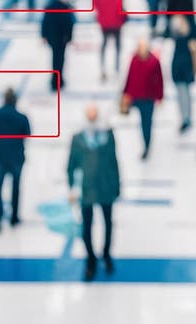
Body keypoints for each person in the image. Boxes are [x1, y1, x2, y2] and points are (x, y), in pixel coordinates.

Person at [67, 104, 120, 281]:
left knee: (108, 223)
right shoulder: (78, 139)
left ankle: (106, 253)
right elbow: (71, 165)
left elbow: (114, 161)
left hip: (106, 188)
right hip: (86, 190)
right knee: (87, 226)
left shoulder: (108, 135)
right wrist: (72, 188)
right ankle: (91, 259)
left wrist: (117, 185)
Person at [0, 88, 31, 232]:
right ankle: (14, 217)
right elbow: (27, 135)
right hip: (17, 158)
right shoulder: (22, 117)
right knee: (16, 187)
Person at [123, 38, 164, 159]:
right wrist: (126, 93)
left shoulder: (154, 62)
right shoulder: (134, 60)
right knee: (142, 123)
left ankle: (147, 145)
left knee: (147, 123)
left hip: (148, 98)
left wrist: (160, 96)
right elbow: (129, 76)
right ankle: (145, 143)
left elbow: (159, 81)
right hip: (136, 96)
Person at [41, 0, 75, 91]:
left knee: (56, 59)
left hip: (55, 37)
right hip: (60, 38)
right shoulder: (65, 8)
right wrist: (70, 37)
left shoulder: (51, 6)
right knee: (59, 59)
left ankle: (56, 80)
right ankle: (57, 80)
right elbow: (70, 24)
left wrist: (44, 35)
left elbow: (44, 22)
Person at [94, 0, 127, 81]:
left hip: (116, 23)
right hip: (105, 24)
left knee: (117, 46)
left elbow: (122, 5)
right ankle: (103, 68)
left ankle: (116, 68)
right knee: (105, 45)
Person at [166, 15, 196, 133]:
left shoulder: (189, 38)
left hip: (186, 71)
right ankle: (185, 118)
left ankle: (187, 118)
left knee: (186, 96)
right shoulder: (176, 38)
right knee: (181, 96)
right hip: (178, 72)